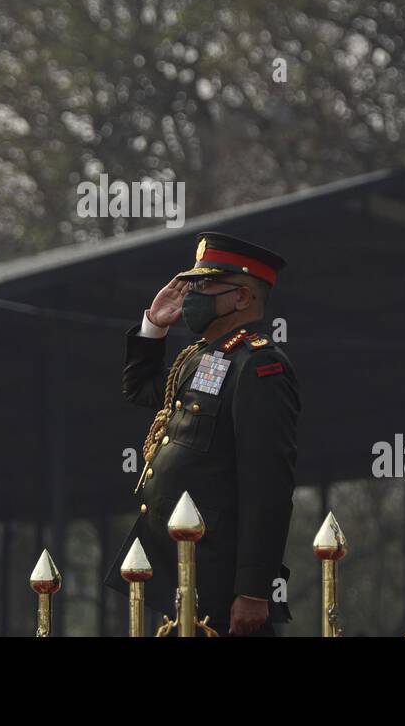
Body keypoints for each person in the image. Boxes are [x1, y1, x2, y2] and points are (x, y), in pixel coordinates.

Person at [103, 231, 300, 636]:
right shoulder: (204, 355)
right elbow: (141, 391)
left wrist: (254, 590)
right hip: (179, 569)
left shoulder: (260, 366)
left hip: (220, 581)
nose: (192, 295)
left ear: (242, 297)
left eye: (205, 285)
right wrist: (153, 327)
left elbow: (268, 485)